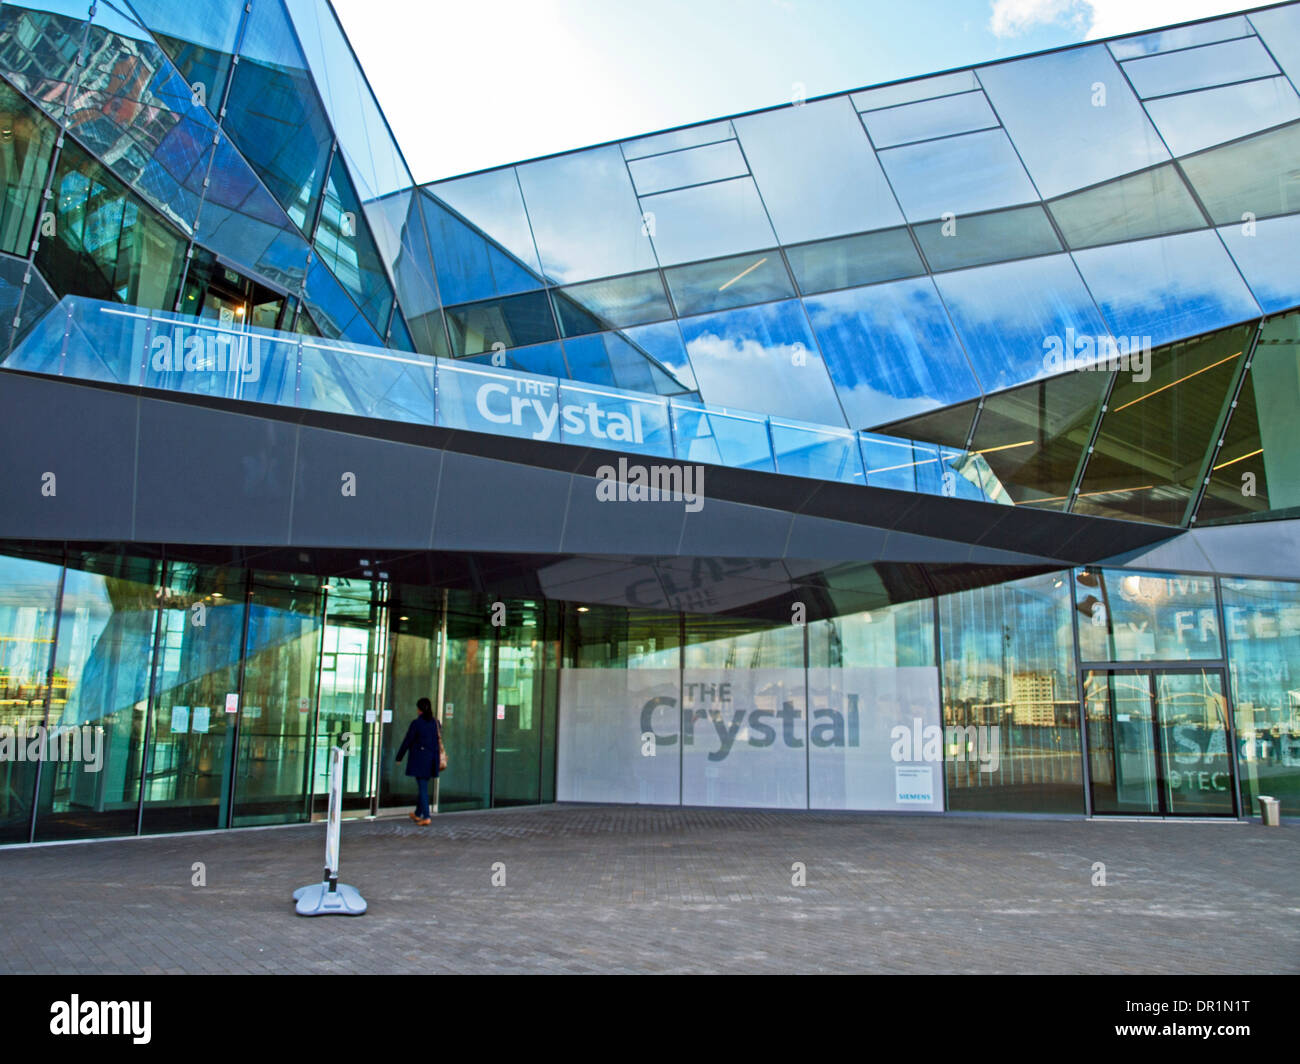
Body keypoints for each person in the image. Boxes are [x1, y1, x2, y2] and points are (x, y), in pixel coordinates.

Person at [395, 697, 440, 825]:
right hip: (432, 760)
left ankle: (426, 816)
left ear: (419, 710)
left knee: (422, 788)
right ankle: (417, 813)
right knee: (423, 786)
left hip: (420, 760)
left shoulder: (416, 723)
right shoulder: (436, 723)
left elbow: (407, 741)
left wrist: (399, 757)